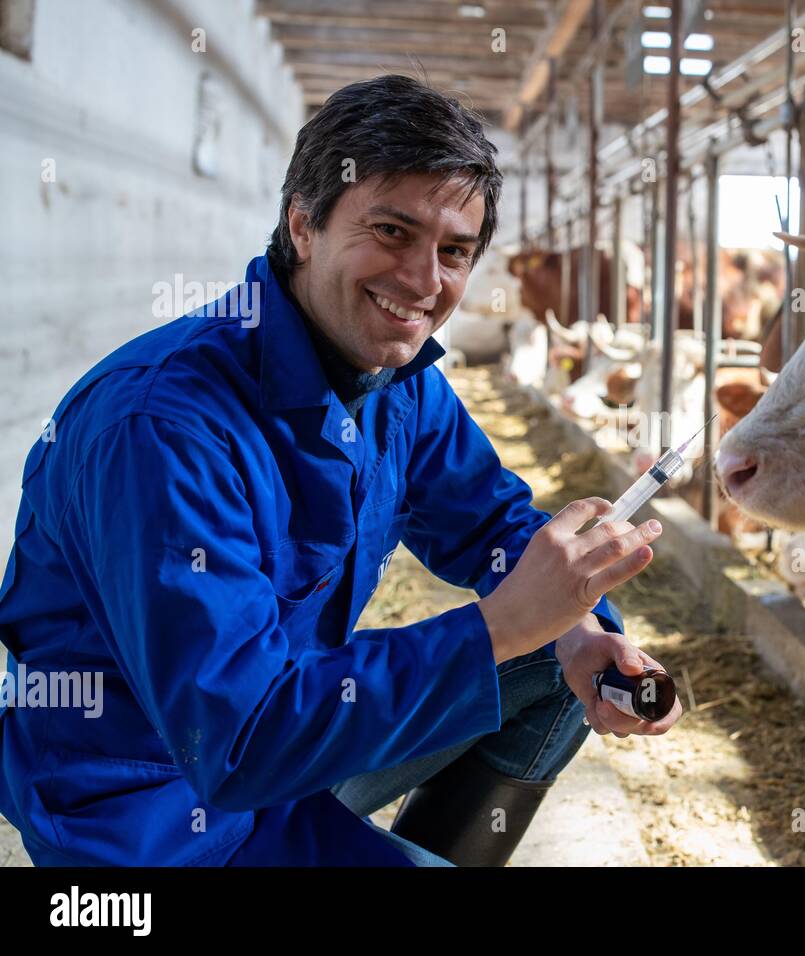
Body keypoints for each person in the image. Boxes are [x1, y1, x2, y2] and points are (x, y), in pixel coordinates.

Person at [0, 74, 680, 867]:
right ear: (303, 224)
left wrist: (579, 630)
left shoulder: (396, 381)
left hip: (292, 744)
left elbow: (492, 525)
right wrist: (499, 626)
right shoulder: (161, 429)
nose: (426, 282)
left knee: (556, 635)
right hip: (157, 807)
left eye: (454, 252)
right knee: (513, 632)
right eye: (393, 232)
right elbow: (235, 742)